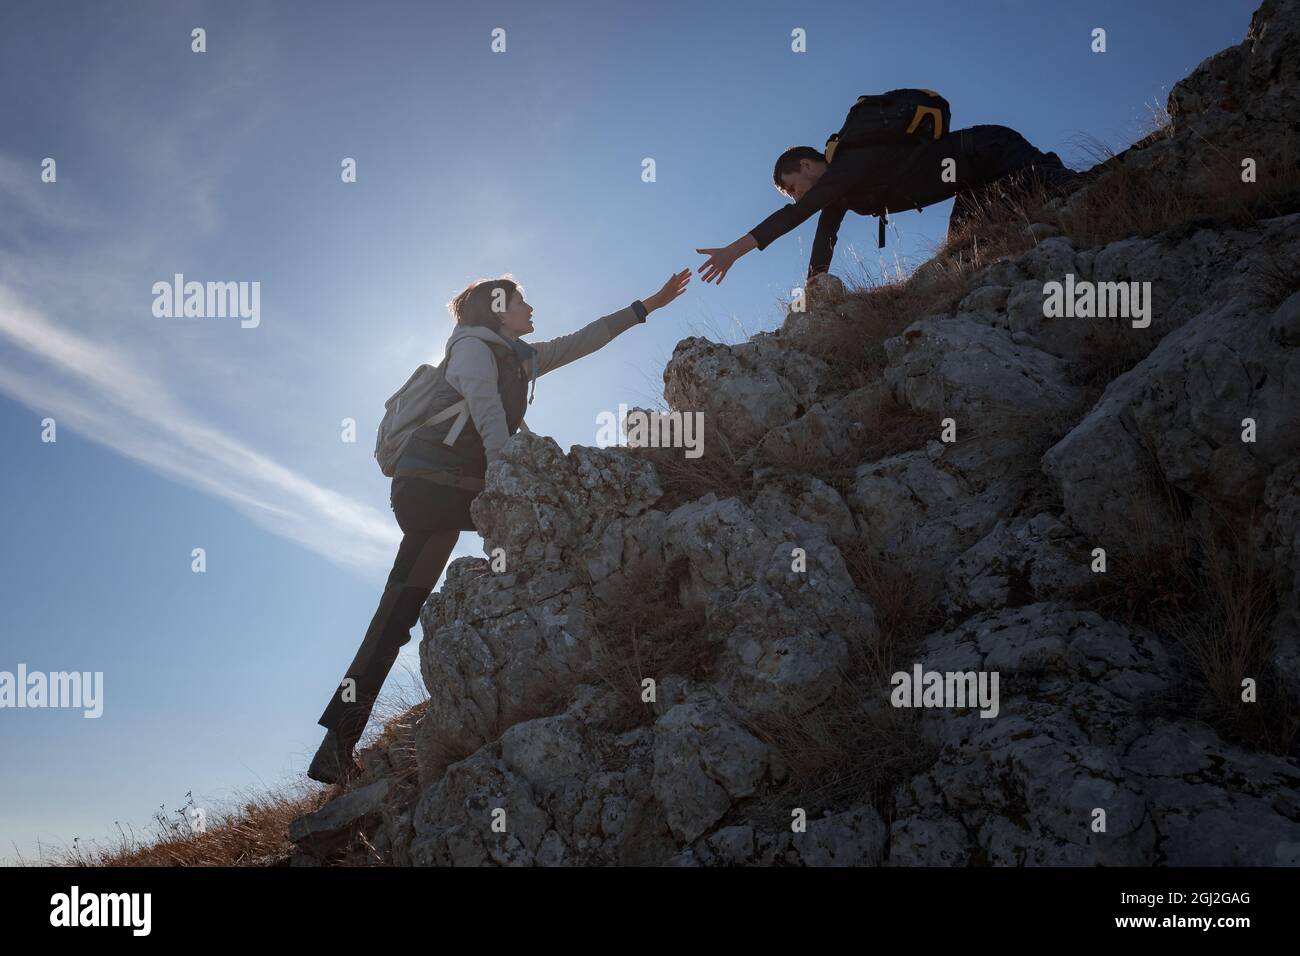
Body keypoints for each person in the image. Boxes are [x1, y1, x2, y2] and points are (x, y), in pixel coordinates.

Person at [308, 269, 691, 784]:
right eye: (520, 301)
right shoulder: (471, 350)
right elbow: (488, 417)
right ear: (495, 308)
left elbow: (583, 342)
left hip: (446, 489)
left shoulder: (518, 357)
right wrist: (510, 484)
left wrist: (648, 305)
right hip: (436, 486)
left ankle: (335, 746)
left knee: (398, 611)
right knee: (554, 517)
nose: (530, 309)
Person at [696, 122, 1077, 285]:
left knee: (1075, 192)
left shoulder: (848, 167)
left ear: (808, 166)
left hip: (989, 150)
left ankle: (1135, 159)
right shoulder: (840, 190)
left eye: (792, 186)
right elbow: (823, 240)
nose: (796, 196)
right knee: (964, 258)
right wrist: (815, 293)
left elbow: (794, 216)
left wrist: (734, 251)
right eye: (790, 193)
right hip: (976, 182)